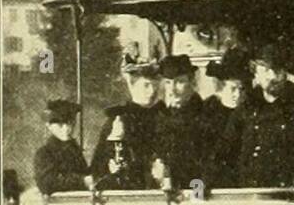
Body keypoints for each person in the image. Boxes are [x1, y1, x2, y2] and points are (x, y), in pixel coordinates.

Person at [237, 42, 294, 190]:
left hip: (288, 195)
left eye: (277, 70)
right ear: (256, 73)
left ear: (285, 73)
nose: (272, 76)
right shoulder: (246, 108)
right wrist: (203, 182)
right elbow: (225, 147)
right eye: (266, 70)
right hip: (252, 195)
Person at [90, 56, 161, 190]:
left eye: (155, 85)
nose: (152, 91)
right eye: (146, 85)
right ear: (131, 86)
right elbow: (98, 167)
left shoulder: (162, 118)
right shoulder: (118, 119)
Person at [153, 53, 207, 191]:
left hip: (196, 194)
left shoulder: (205, 116)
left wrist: (196, 197)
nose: (172, 90)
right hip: (166, 195)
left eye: (179, 82)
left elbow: (206, 166)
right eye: (168, 82)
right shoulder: (162, 115)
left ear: (193, 82)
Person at [202, 49, 252, 188]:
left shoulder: (250, 111)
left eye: (242, 89)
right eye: (233, 88)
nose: (238, 94)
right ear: (221, 87)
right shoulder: (206, 111)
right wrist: (198, 193)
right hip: (211, 184)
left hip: (243, 183)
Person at [33, 99, 91, 196]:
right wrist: (82, 181)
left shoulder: (75, 151)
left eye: (70, 123)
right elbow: (47, 183)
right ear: (49, 126)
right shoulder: (44, 153)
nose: (67, 128)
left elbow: (85, 173)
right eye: (60, 124)